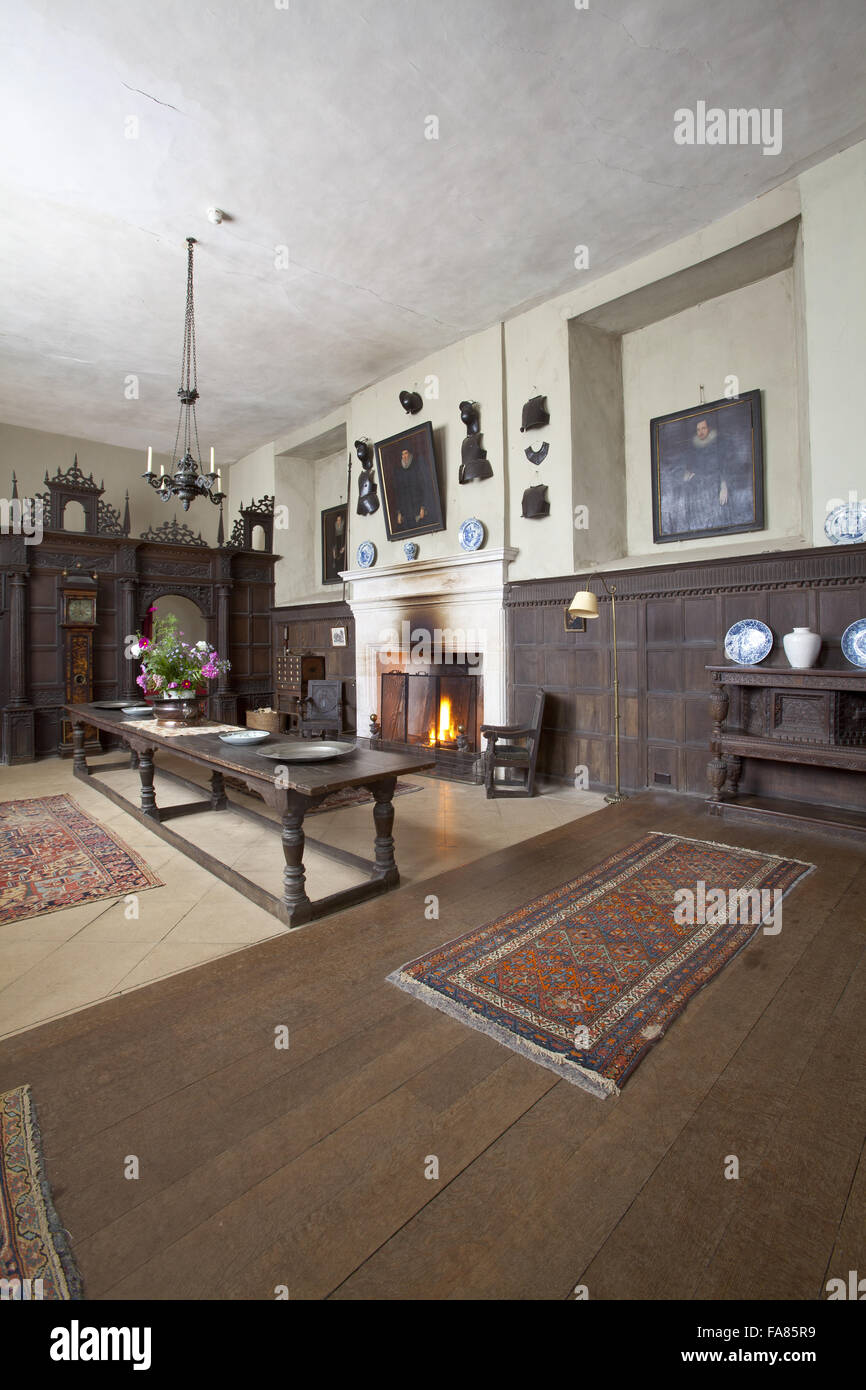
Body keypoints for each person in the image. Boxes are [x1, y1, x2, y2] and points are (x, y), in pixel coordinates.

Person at [390, 448, 427, 529]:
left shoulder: (417, 468)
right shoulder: (399, 472)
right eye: (402, 454)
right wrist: (399, 512)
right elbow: (398, 494)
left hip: (418, 511)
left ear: (410, 454)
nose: (404, 456)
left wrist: (423, 507)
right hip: (406, 513)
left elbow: (425, 488)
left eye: (406, 453)